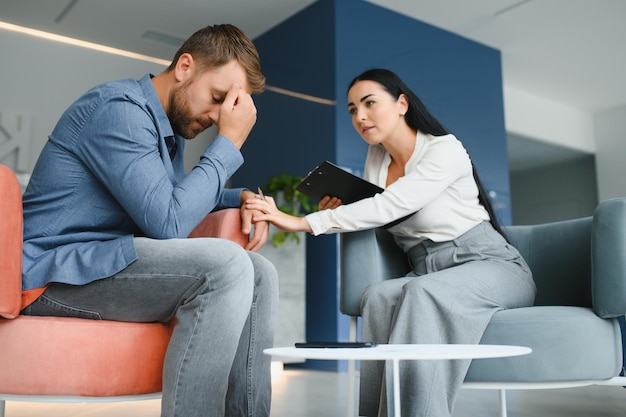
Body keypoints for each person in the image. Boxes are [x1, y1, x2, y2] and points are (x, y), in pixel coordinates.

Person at [20, 24, 278, 417]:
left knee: (260, 272)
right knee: (225, 265)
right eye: (217, 98)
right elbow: (169, 223)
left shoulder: (166, 132)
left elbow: (171, 199)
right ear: (185, 66)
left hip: (100, 265)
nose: (216, 116)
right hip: (53, 275)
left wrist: (238, 197)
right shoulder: (119, 110)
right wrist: (231, 144)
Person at [245, 68, 536, 417]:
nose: (360, 116)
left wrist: (300, 223)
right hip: (427, 270)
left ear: (401, 104)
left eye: (369, 103)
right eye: (352, 109)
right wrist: (348, 205)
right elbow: (386, 220)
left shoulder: (445, 149)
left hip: (491, 265)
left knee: (420, 293)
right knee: (378, 296)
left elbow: (390, 206)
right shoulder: (377, 159)